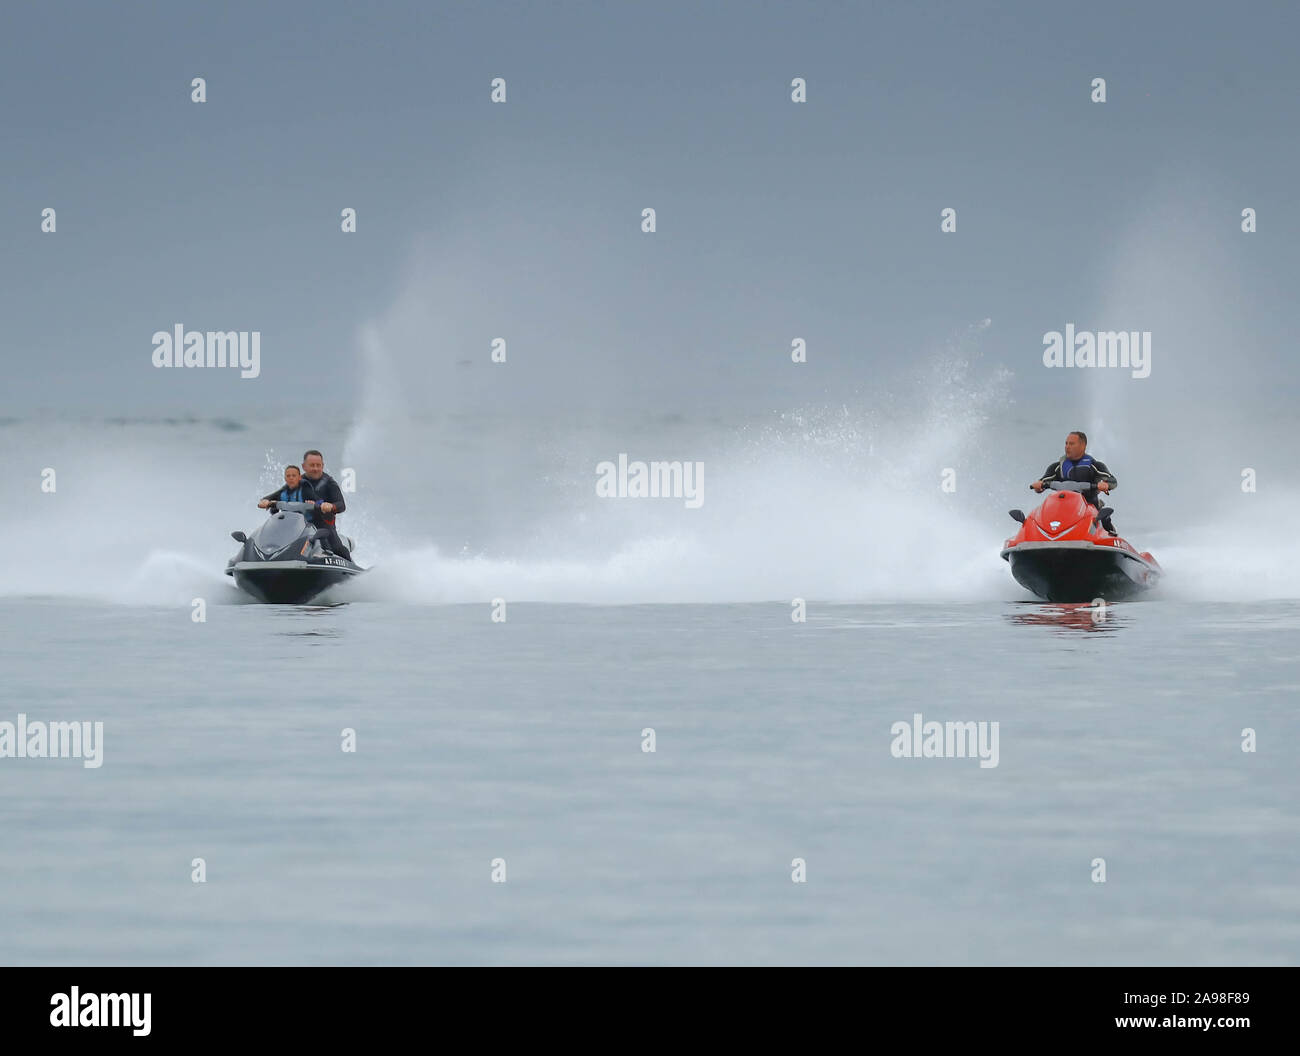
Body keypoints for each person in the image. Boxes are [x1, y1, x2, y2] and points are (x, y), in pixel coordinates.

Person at [1029, 431, 1118, 532]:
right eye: (1066, 443)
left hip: (1089, 506)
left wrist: (1106, 485)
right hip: (1062, 508)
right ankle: (1039, 533)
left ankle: (1111, 535)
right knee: (1040, 512)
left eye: (1071, 444)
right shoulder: (1057, 467)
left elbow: (1113, 481)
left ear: (1083, 445)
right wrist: (1038, 487)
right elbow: (1042, 482)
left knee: (1104, 518)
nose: (1067, 447)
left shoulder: (1094, 466)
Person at [300, 449, 351, 560]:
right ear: (304, 466)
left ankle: (353, 568)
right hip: (299, 526)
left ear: (323, 466)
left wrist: (331, 506)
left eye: (318, 465)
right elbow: (282, 495)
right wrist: (269, 502)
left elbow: (341, 505)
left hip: (324, 526)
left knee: (336, 547)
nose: (315, 468)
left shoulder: (329, 483)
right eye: (312, 465)